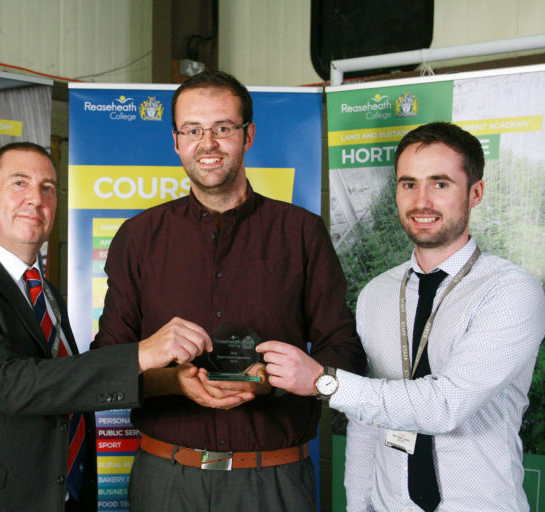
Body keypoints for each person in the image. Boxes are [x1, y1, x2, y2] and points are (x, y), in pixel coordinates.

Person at [91, 71, 366, 511]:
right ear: (176, 141)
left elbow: (344, 350)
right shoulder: (138, 237)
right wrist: (175, 381)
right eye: (192, 130)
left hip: (273, 482)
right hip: (167, 482)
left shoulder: (301, 233)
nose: (208, 143)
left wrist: (278, 381)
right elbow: (107, 364)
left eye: (222, 128)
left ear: (248, 135)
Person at [0, 142, 212, 512]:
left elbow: (61, 383)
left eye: (47, 188)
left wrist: (172, 381)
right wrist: (142, 353)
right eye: (19, 183)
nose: (35, 199)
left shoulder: (44, 292)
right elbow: (6, 384)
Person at [258, 122, 545, 511]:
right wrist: (358, 506)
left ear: (475, 193)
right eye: (409, 184)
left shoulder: (511, 290)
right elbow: (364, 423)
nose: (421, 201)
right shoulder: (376, 293)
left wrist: (323, 382)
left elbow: (446, 405)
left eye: (440, 184)